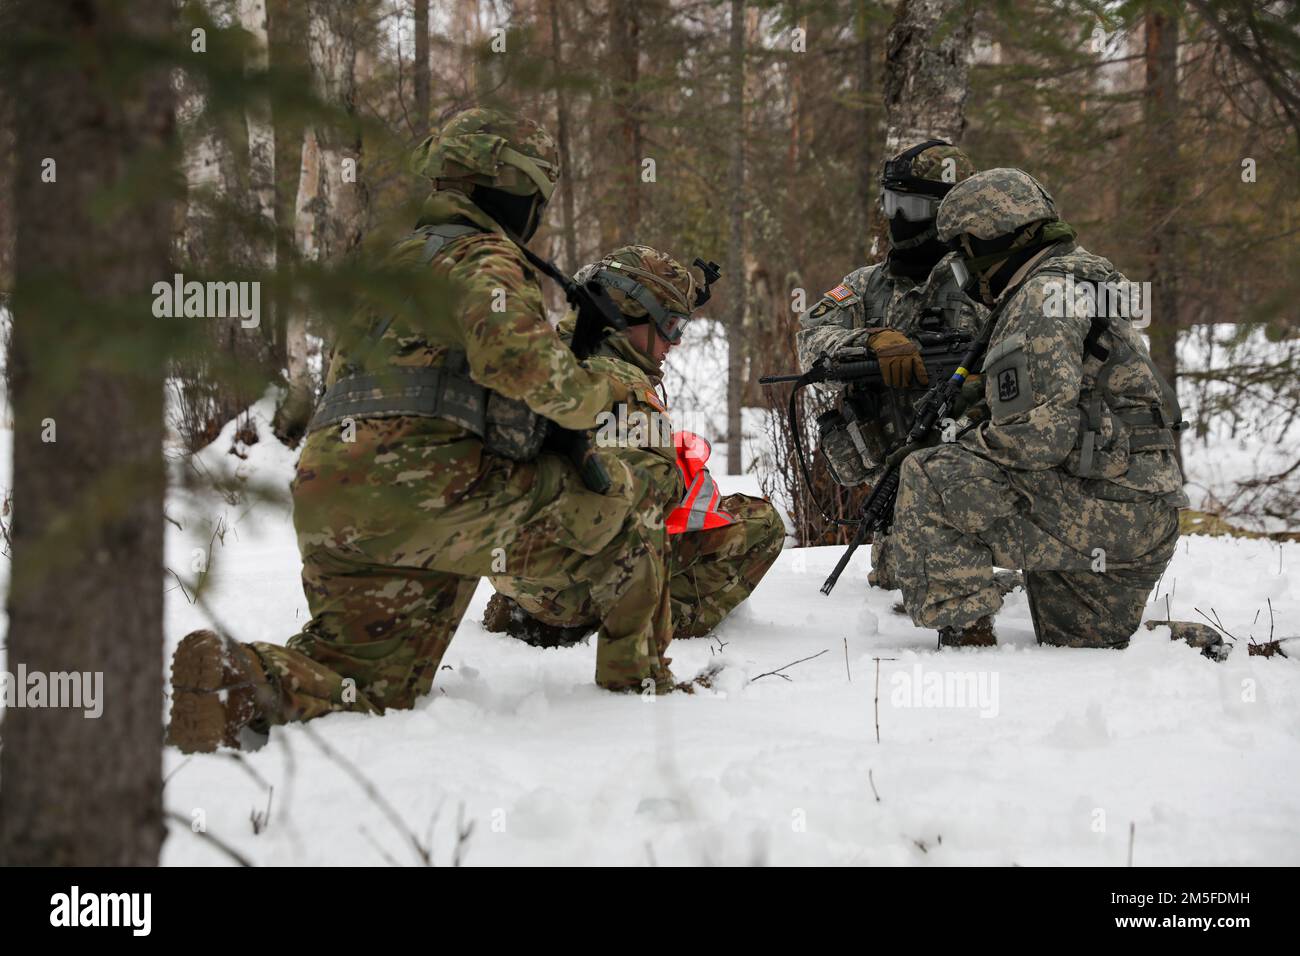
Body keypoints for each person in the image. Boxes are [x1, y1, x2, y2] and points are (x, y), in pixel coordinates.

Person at [167, 108, 679, 753]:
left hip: (336, 504)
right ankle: (643, 689)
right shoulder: (486, 258)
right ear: (518, 191)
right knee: (636, 494)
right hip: (443, 497)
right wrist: (598, 389)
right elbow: (538, 378)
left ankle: (241, 680)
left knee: (366, 682)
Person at [892, 167, 1188, 648]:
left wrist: (954, 440)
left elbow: (1034, 439)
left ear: (988, 240)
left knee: (929, 475)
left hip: (1107, 512)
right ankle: (1202, 653)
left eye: (965, 253)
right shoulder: (1084, 278)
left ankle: (967, 642)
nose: (967, 272)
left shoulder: (1039, 299)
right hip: (1138, 513)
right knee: (1081, 645)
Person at [484, 245, 785, 648]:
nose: (674, 343)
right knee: (762, 524)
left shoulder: (539, 358)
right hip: (576, 584)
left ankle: (531, 601)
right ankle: (624, 627)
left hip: (511, 565)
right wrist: (681, 479)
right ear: (629, 317)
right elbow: (644, 508)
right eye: (672, 326)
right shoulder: (622, 385)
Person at [796, 141, 986, 589]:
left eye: (913, 206)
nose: (898, 217)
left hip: (985, 475)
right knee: (898, 579)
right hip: (898, 491)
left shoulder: (984, 283)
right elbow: (809, 341)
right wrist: (870, 340)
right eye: (891, 202)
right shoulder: (865, 286)